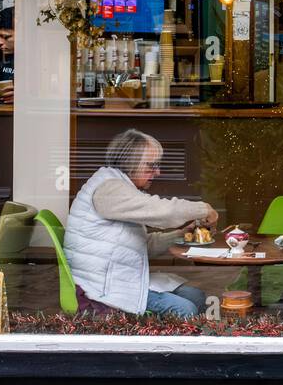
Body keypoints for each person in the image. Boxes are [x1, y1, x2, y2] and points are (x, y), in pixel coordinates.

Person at [64, 128, 218, 316]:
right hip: (100, 288)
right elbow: (161, 211)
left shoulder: (118, 186)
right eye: (151, 166)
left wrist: (182, 234)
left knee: (195, 296)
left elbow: (140, 245)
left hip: (115, 278)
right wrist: (203, 209)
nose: (158, 172)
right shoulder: (109, 190)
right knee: (185, 309)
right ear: (131, 165)